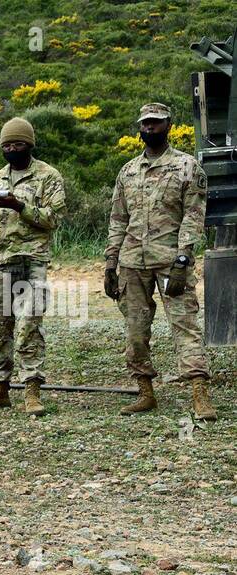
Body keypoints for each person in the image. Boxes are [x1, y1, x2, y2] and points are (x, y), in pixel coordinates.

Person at [105, 103, 215, 420]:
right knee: (135, 330)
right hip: (131, 261)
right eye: (145, 124)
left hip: (170, 261)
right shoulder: (127, 171)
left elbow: (193, 218)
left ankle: (199, 394)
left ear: (169, 125)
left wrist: (183, 259)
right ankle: (145, 392)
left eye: (156, 123)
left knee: (185, 326)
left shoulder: (187, 167)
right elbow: (117, 219)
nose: (149, 128)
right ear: (139, 128)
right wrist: (111, 262)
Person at [0, 118, 67, 416]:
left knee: (29, 327)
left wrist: (19, 207)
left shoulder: (48, 176)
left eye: (18, 144)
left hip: (32, 261)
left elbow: (54, 218)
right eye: (7, 145)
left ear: (30, 144)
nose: (12, 149)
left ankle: (31, 390)